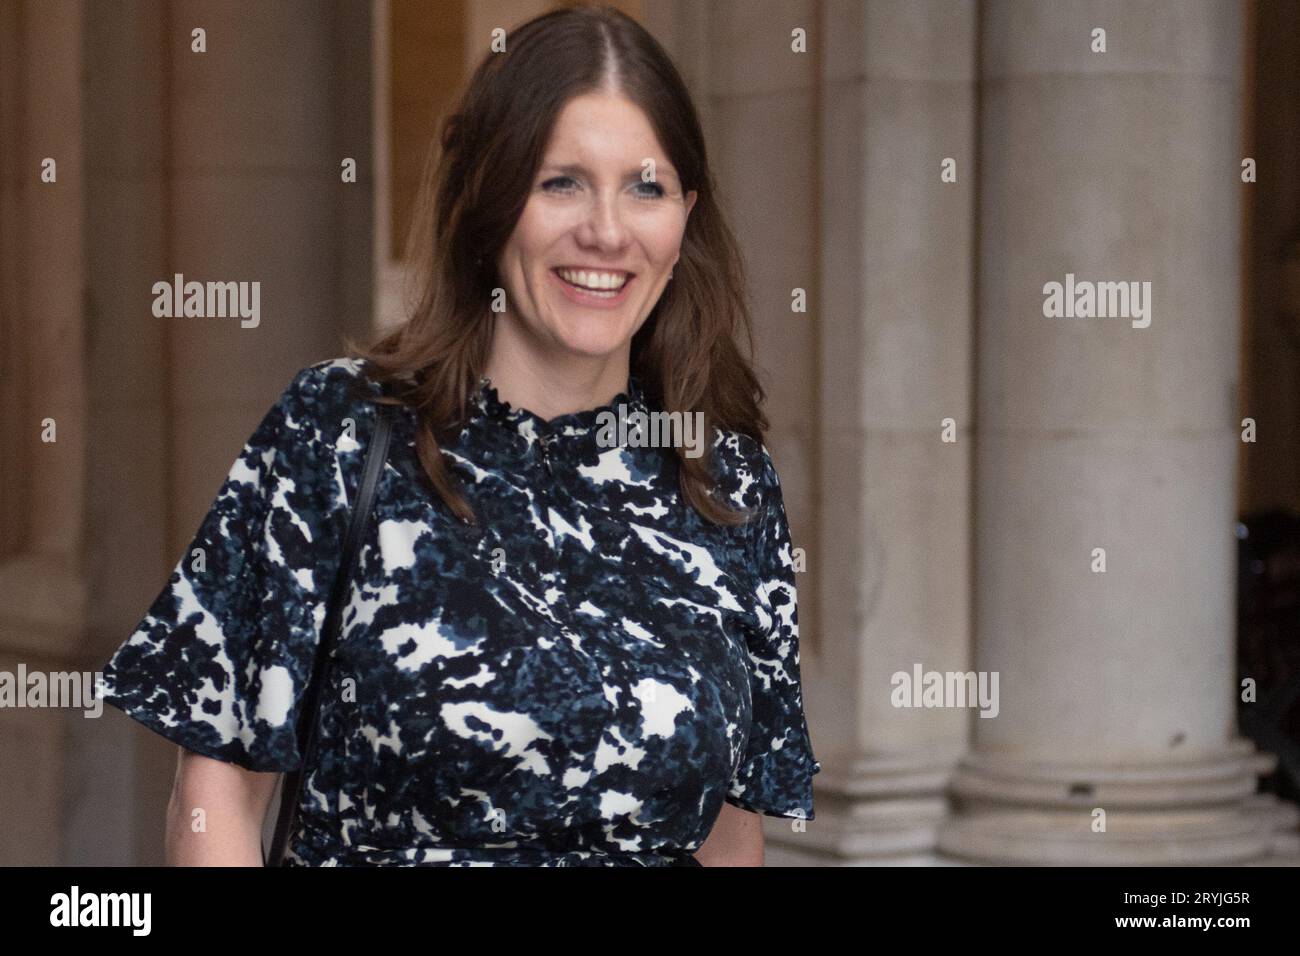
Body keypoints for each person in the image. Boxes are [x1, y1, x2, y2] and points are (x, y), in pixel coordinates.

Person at [96, 4, 819, 867]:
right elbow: (213, 798)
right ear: (487, 197)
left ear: (684, 217)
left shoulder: (725, 477)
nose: (607, 230)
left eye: (646, 185)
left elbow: (732, 836)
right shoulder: (336, 434)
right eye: (560, 182)